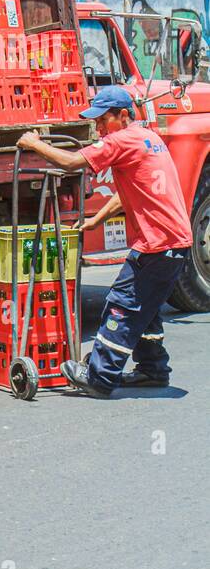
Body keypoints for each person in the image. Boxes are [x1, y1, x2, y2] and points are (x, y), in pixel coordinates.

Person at [17, 85, 192, 397]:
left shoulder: (121, 139)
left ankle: (99, 376)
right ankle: (152, 370)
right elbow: (136, 190)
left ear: (123, 116)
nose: (98, 128)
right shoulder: (148, 137)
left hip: (158, 244)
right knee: (146, 308)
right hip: (173, 242)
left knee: (121, 305)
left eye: (103, 120)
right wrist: (98, 219)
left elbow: (71, 163)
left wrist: (34, 143)